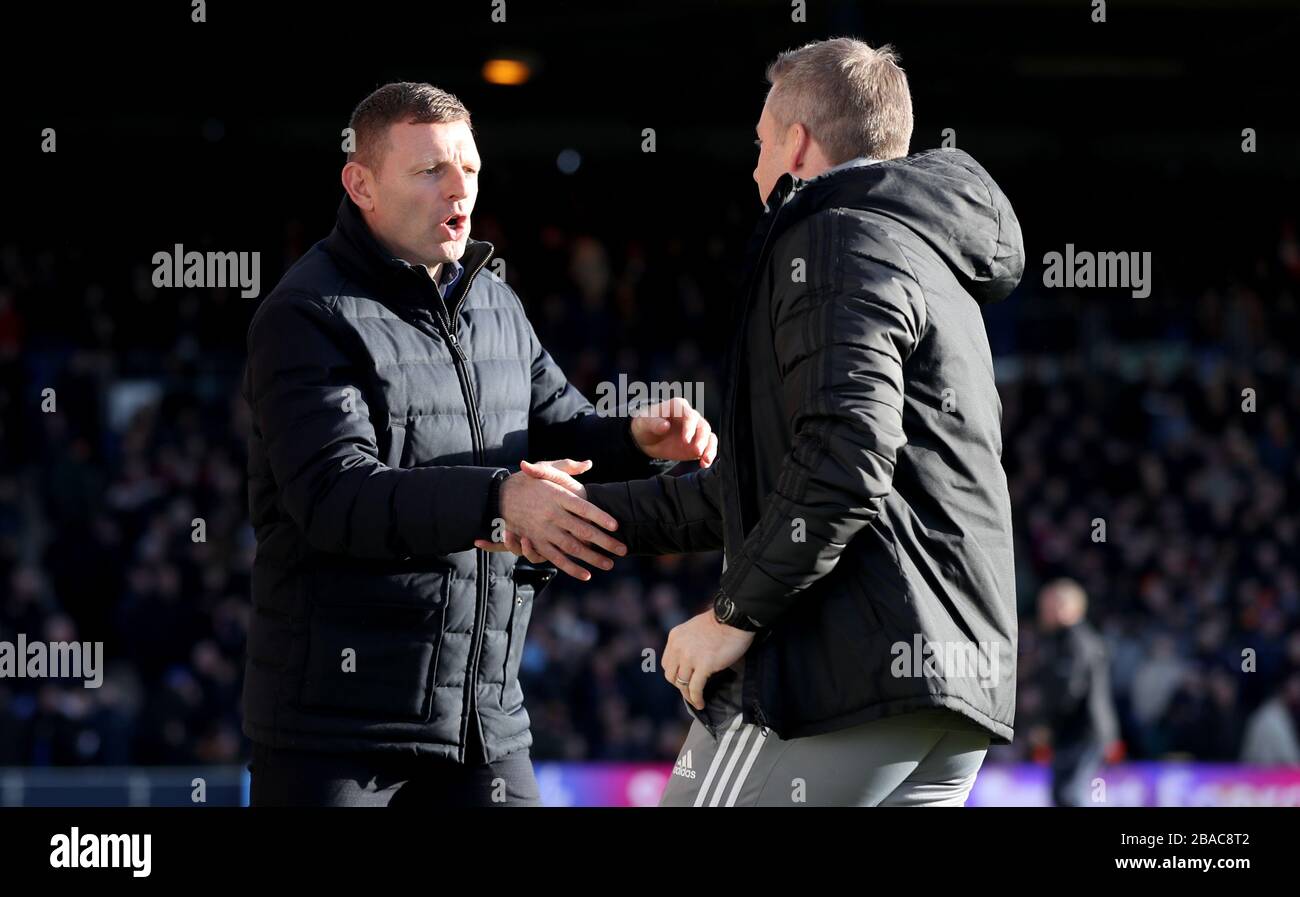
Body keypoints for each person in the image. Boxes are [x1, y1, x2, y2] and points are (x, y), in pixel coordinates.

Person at [510, 38, 1024, 806]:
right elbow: (767, 486)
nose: (753, 168)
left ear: (796, 143)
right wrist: (576, 512)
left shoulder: (833, 236)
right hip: (949, 690)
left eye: (758, 143)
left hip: (838, 677)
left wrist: (732, 613)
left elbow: (845, 457)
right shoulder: (930, 253)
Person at [241, 82, 715, 806]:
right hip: (335, 737)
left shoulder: (494, 299)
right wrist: (498, 499)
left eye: (468, 166)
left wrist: (635, 436)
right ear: (360, 183)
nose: (458, 187)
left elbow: (560, 430)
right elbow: (334, 496)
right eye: (430, 169)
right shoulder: (305, 314)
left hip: (484, 725)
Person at [1037, 578, 1120, 806]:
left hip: (1083, 731)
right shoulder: (1068, 639)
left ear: (1067, 607)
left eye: (1048, 605)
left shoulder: (1076, 641)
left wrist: (1045, 723)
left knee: (1069, 794)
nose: (1042, 611)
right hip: (1073, 732)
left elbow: (1070, 691)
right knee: (1062, 793)